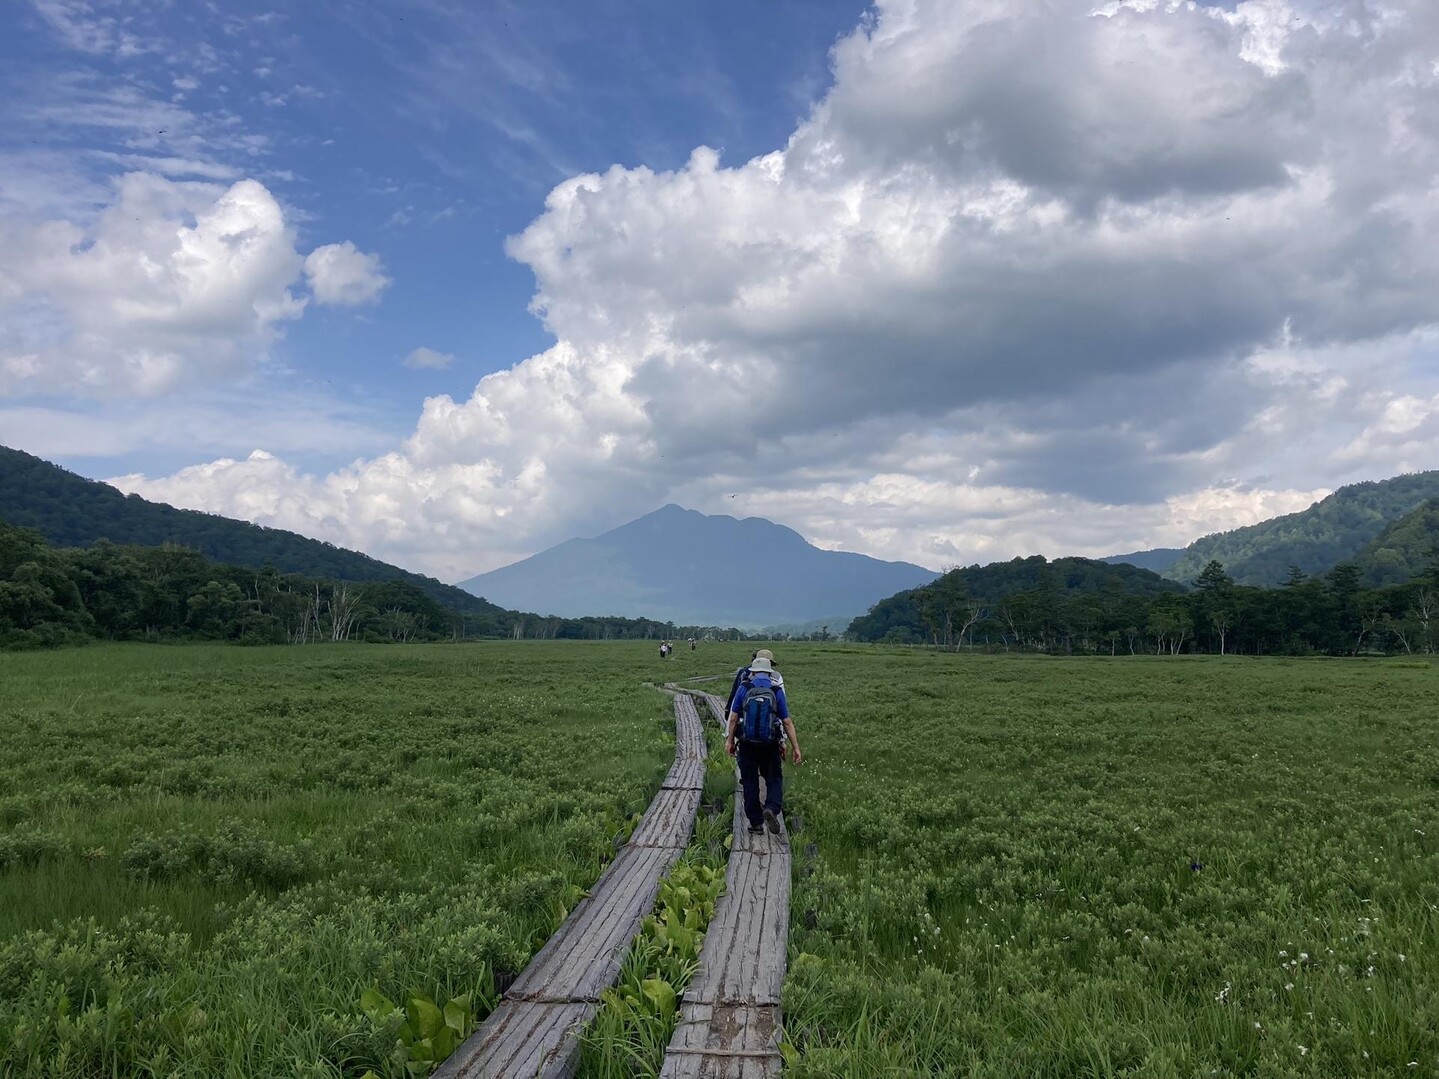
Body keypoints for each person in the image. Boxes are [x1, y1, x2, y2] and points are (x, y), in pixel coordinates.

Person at [726, 657, 803, 835]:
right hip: (770, 744)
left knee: (750, 781)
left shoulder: (744, 687)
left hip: (747, 743)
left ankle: (755, 823)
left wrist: (730, 741)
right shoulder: (776, 690)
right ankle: (771, 808)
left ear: (752, 671)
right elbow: (787, 721)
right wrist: (795, 747)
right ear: (770, 673)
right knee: (774, 778)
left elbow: (734, 718)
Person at [725, 648, 785, 715]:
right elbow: (782, 701)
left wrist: (728, 709)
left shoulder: (745, 673)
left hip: (746, 717)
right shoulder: (777, 676)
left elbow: (735, 695)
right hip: (770, 717)